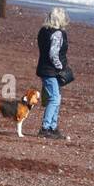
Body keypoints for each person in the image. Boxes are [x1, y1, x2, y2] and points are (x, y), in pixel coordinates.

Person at [36, 7, 71, 139]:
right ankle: (46, 127)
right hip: (51, 71)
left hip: (44, 68)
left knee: (56, 98)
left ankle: (52, 127)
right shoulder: (57, 34)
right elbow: (53, 54)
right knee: (55, 98)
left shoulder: (43, 31)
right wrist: (60, 67)